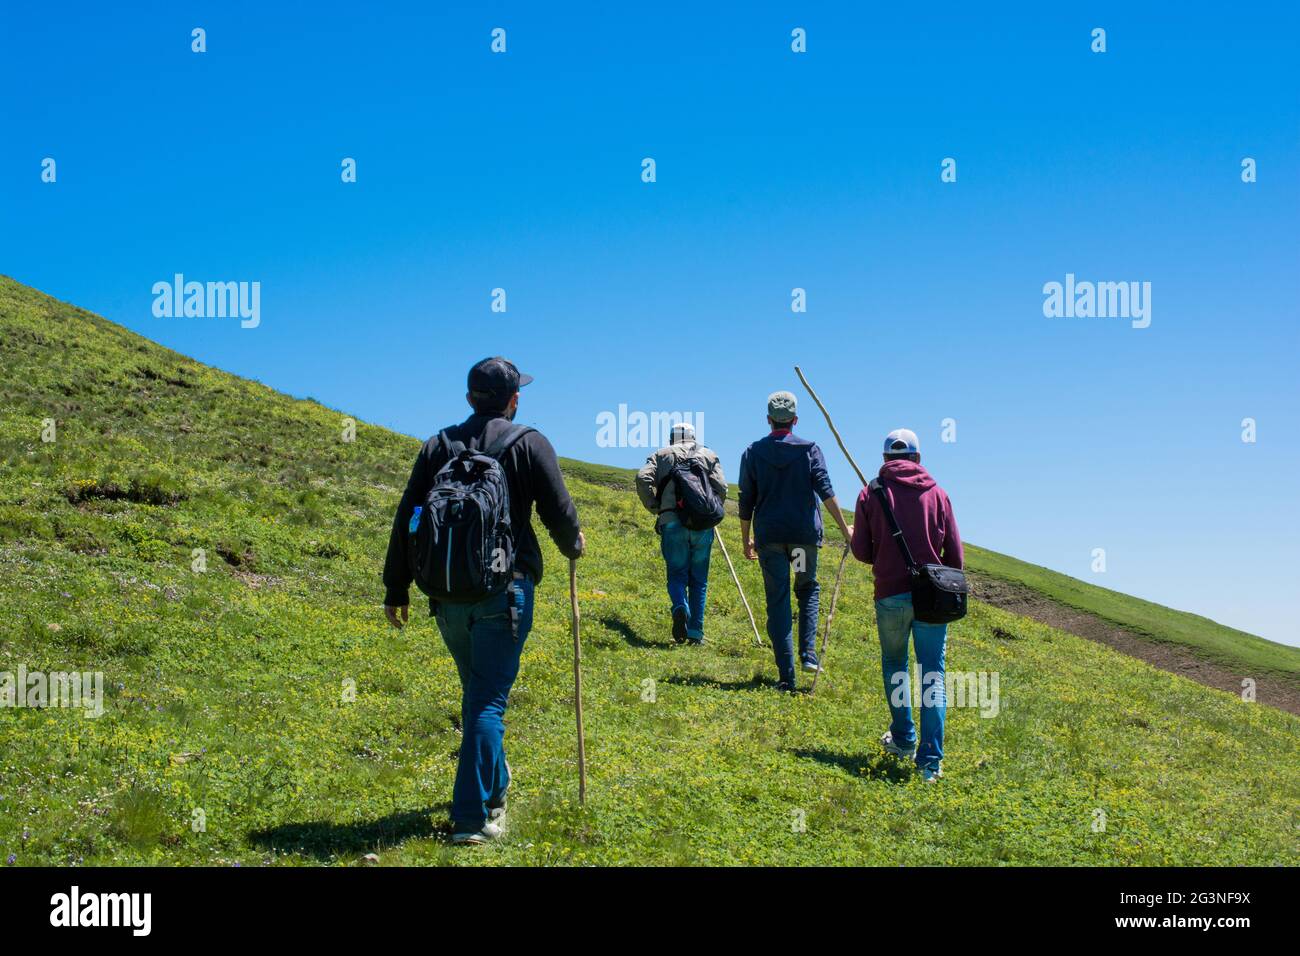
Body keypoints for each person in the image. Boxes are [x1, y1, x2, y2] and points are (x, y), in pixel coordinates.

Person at [382, 357, 585, 843]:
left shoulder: (438, 445)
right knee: (487, 703)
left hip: (447, 594)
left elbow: (409, 514)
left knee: (478, 698)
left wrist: (397, 586)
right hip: (505, 590)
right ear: (513, 399)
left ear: (470, 398)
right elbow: (559, 511)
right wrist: (572, 541)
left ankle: (494, 784)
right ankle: (475, 818)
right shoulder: (529, 442)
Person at [850, 428, 963, 782]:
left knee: (895, 665)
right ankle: (930, 762)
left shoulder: (871, 493)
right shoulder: (938, 495)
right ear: (918, 458)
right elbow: (955, 557)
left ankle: (903, 738)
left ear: (885, 459)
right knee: (933, 675)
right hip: (933, 597)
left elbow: (863, 553)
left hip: (890, 595)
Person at [738, 391, 853, 691]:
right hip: (801, 540)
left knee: (777, 601)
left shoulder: (753, 452)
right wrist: (845, 531)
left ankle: (786, 676)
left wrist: (745, 538)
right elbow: (826, 491)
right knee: (806, 588)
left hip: (771, 539)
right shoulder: (810, 450)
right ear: (795, 420)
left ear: (768, 420)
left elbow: (745, 500)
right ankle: (808, 653)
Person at [635, 422, 727, 644]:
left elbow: (642, 478)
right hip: (702, 526)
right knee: (699, 580)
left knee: (676, 574)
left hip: (671, 521)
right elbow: (722, 487)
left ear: (671, 439)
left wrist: (655, 507)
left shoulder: (661, 454)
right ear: (693, 438)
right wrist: (709, 510)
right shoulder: (708, 454)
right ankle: (696, 632)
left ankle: (680, 607)